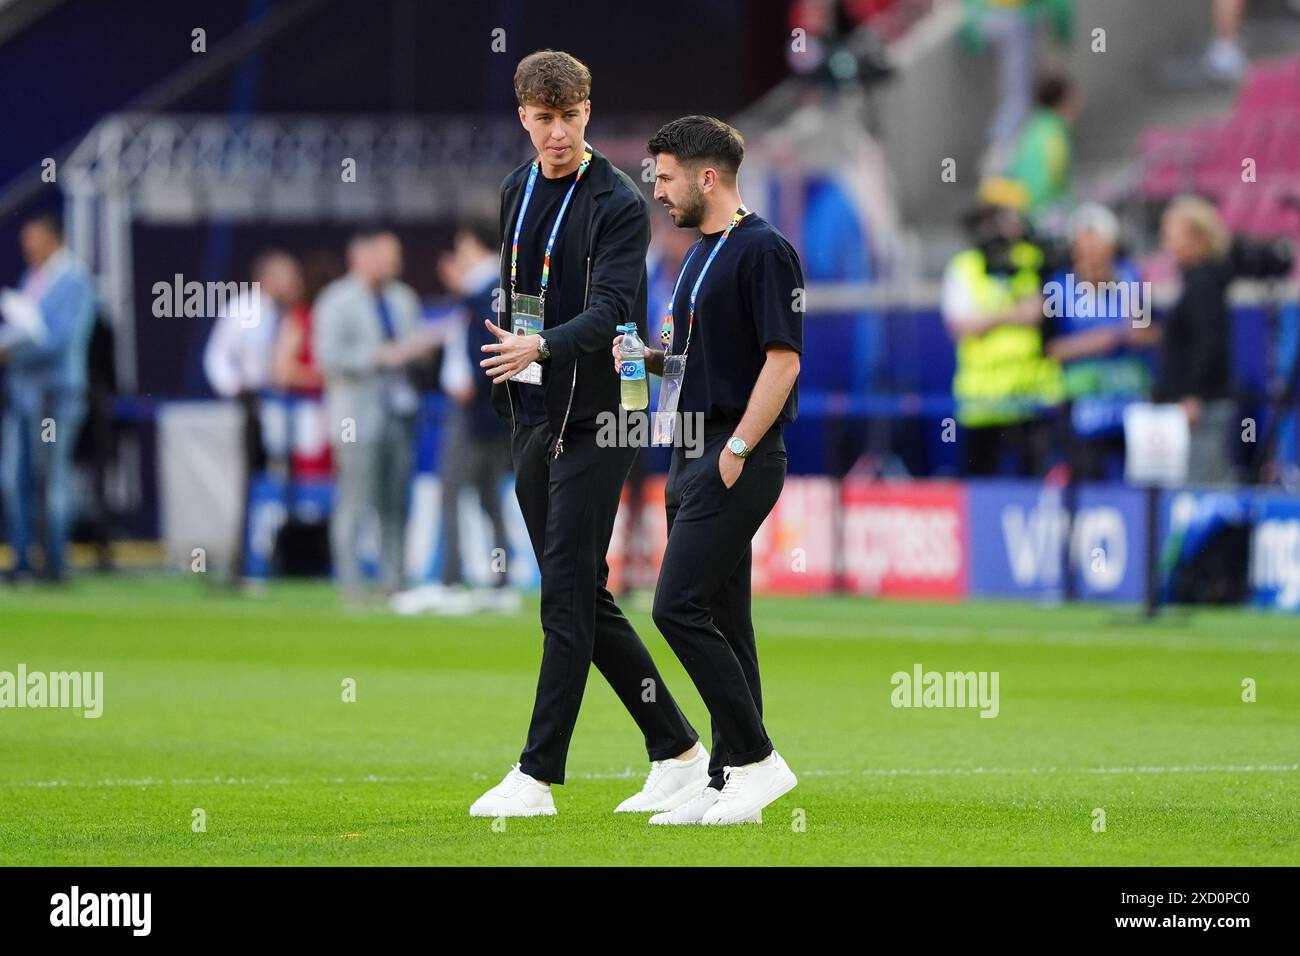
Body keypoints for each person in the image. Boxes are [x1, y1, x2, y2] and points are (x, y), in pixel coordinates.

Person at [468, 50, 704, 819]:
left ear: (588, 114)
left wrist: (539, 346)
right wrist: (518, 362)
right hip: (534, 412)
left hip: (606, 411)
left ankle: (536, 776)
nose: (559, 132)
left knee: (564, 596)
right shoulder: (515, 188)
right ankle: (678, 750)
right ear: (524, 119)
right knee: (578, 592)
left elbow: (611, 309)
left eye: (570, 116)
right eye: (544, 118)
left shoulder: (619, 200)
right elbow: (517, 289)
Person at [625, 115, 804, 826]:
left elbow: (782, 360)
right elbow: (705, 360)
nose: (658, 192)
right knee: (728, 618)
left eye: (665, 177)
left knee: (676, 606)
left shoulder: (765, 251)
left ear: (707, 177)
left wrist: (734, 452)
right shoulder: (700, 253)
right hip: (690, 447)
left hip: (736, 453)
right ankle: (732, 776)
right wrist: (649, 361)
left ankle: (759, 761)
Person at [314, 230, 430, 600]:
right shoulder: (336, 300)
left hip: (400, 411)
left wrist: (419, 352)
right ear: (361, 259)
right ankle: (350, 582)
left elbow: (413, 344)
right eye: (383, 256)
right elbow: (326, 356)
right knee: (355, 500)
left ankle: (393, 580)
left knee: (396, 502)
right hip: (356, 418)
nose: (391, 263)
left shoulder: (402, 298)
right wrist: (376, 357)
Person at [0, 212, 97, 582]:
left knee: (52, 478)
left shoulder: (75, 280)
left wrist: (10, 352)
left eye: (33, 239)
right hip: (23, 396)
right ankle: (22, 558)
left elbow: (58, 341)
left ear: (52, 238)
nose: (27, 247)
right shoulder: (33, 278)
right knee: (15, 478)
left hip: (55, 399)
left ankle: (54, 561)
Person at [944, 182, 1061, 477]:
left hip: (1029, 400)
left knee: (1032, 489)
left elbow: (1039, 312)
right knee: (979, 485)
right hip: (983, 403)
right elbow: (959, 326)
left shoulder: (1035, 261)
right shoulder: (964, 266)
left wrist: (991, 320)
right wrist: (1012, 314)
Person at [432, 218, 515, 612]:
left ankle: (451, 576)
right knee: (488, 496)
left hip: (474, 409)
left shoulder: (483, 290)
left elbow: (487, 343)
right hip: (491, 410)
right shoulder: (490, 288)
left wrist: (475, 386)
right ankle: (502, 576)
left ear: (471, 243)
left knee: (452, 491)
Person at [1043, 204, 1153, 482]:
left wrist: (1117, 297)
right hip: (1083, 404)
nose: (1091, 255)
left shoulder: (1130, 279)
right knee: (1087, 479)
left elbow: (1146, 332)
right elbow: (1050, 348)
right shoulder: (1058, 287)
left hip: (1129, 401)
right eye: (1084, 247)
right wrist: (1094, 343)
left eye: (1098, 246)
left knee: (1138, 481)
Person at [1153, 196, 1237, 484]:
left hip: (1203, 408)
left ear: (1196, 236)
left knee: (1204, 489)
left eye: (1172, 232)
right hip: (1199, 404)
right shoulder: (1197, 280)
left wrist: (1193, 395)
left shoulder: (1202, 283)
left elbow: (1209, 343)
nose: (1166, 240)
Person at [1005, 72, 1077, 229]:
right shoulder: (1054, 133)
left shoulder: (1032, 127)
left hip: (1022, 208)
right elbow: (1053, 181)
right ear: (1064, 101)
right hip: (1039, 215)